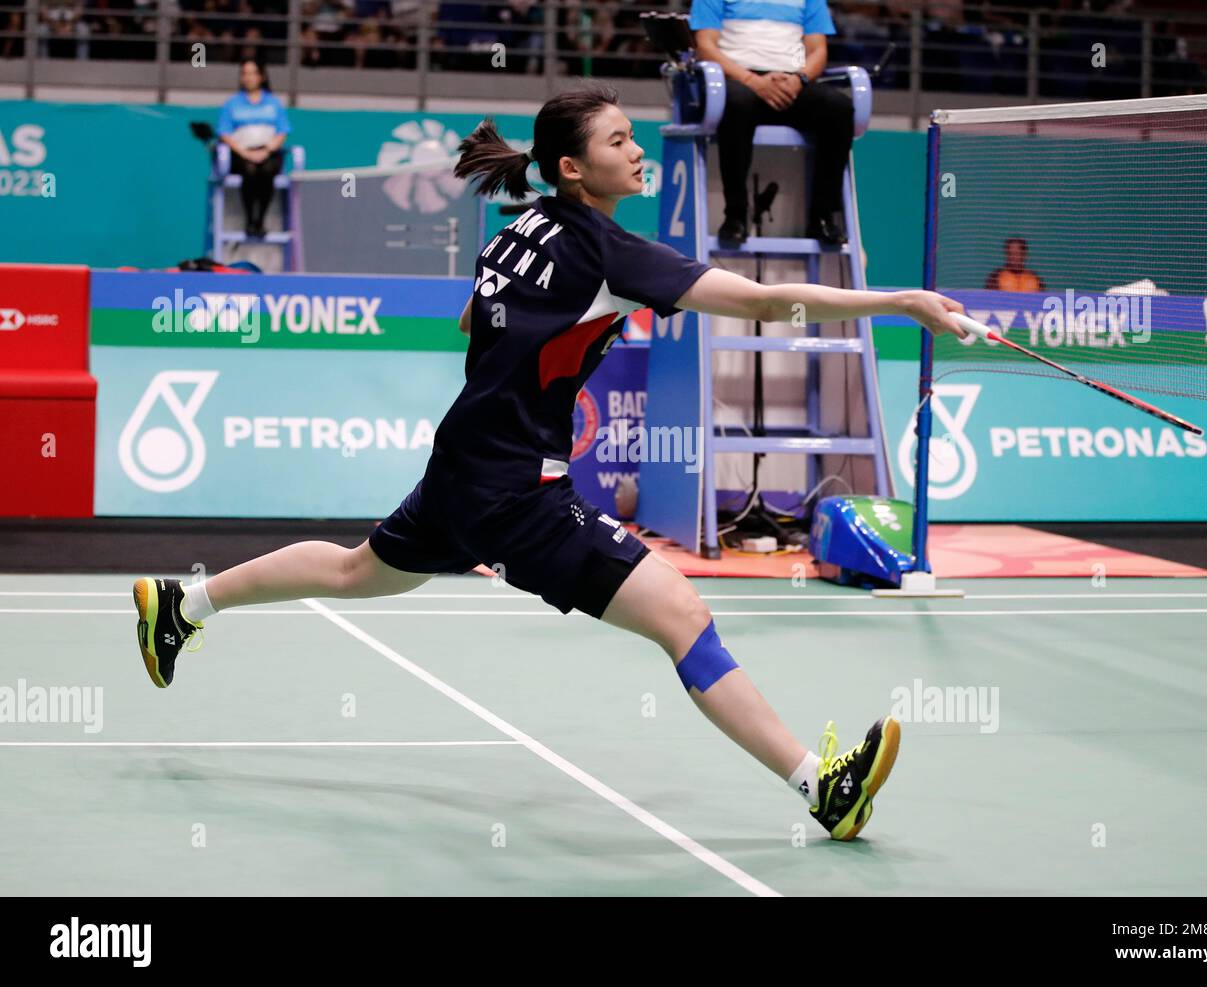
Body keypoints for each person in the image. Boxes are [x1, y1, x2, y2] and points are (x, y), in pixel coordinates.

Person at [133, 82, 970, 842]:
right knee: (682, 618)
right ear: (573, 167)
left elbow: (472, 323)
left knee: (360, 571)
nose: (636, 149)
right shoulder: (610, 251)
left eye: (631, 136)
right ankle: (821, 789)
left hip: (464, 458)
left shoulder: (518, 227)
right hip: (518, 491)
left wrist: (564, 342)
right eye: (616, 142)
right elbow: (759, 300)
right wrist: (900, 301)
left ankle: (185, 602)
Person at [689, 0, 855, 248]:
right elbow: (705, 46)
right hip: (738, 81)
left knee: (839, 109)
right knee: (736, 104)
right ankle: (735, 216)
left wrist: (798, 80)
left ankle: (822, 217)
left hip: (791, 83)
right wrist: (752, 81)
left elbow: (818, 51)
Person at [216, 59, 291, 238]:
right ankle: (249, 220)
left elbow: (282, 132)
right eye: (245, 74)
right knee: (249, 171)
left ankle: (260, 221)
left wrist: (266, 151)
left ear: (262, 77)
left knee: (267, 170)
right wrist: (245, 153)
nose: (249, 78)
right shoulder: (232, 103)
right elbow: (224, 133)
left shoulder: (273, 103)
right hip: (242, 154)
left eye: (253, 73)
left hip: (268, 153)